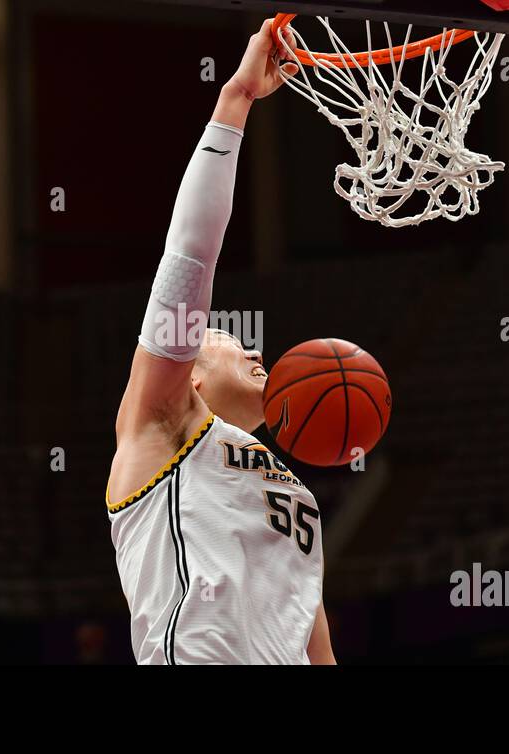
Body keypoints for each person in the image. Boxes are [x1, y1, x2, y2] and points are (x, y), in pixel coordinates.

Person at [104, 20, 334, 665]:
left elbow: (313, 645)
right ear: (191, 377)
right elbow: (190, 259)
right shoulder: (162, 428)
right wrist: (234, 102)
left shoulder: (298, 499)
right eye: (228, 338)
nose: (257, 351)